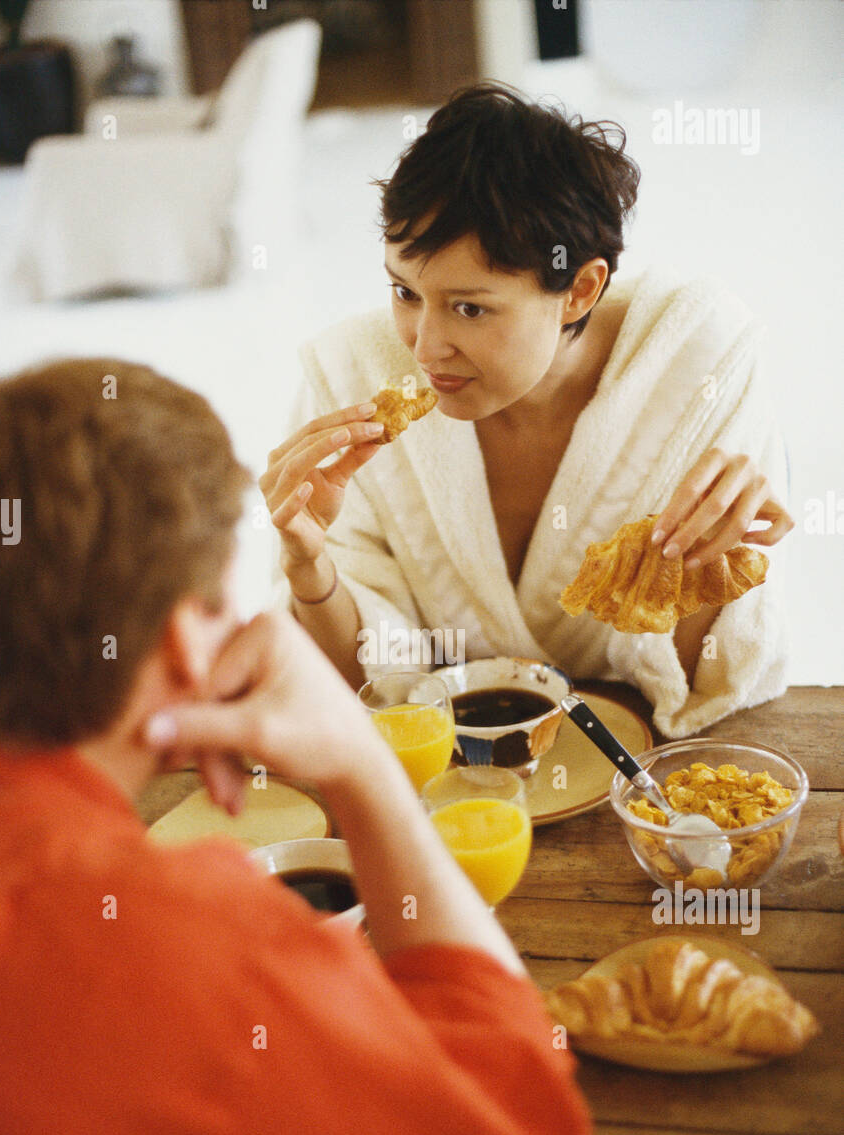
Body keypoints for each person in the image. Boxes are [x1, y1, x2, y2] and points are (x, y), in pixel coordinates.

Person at [0, 359, 592, 1135]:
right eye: (227, 602)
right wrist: (363, 770)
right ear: (190, 640)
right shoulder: (161, 940)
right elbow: (527, 1132)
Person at [264, 84, 794, 738]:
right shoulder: (351, 372)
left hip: (639, 774)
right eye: (403, 291)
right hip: (451, 786)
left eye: (470, 308)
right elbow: (367, 696)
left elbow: (705, 685)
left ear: (578, 290)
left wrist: (704, 570)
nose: (422, 346)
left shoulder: (696, 361)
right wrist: (308, 567)